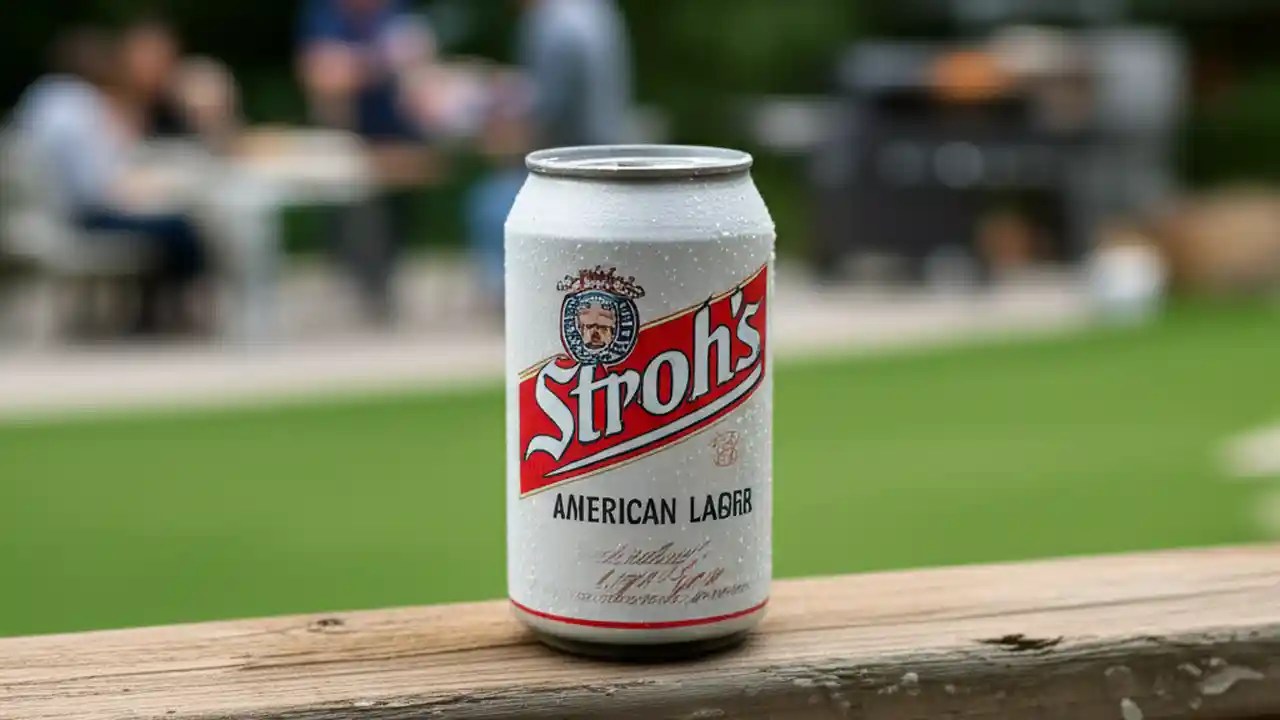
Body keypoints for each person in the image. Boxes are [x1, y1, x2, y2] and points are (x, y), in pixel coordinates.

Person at [11, 27, 208, 333]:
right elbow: (97, 186)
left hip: (51, 214)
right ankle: (162, 317)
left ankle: (150, 315)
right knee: (181, 229)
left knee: (168, 225)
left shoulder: (42, 99)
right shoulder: (77, 107)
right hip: (82, 215)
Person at [297, 0, 437, 323]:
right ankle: (368, 282)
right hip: (348, 142)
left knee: (394, 189)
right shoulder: (323, 15)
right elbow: (323, 75)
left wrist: (357, 66)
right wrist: (382, 62)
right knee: (357, 192)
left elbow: (421, 68)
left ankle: (378, 282)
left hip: (399, 138)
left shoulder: (397, 14)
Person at [518, 0, 632, 147]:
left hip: (574, 150)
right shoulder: (597, 9)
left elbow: (550, 106)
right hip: (610, 139)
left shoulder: (551, 22)